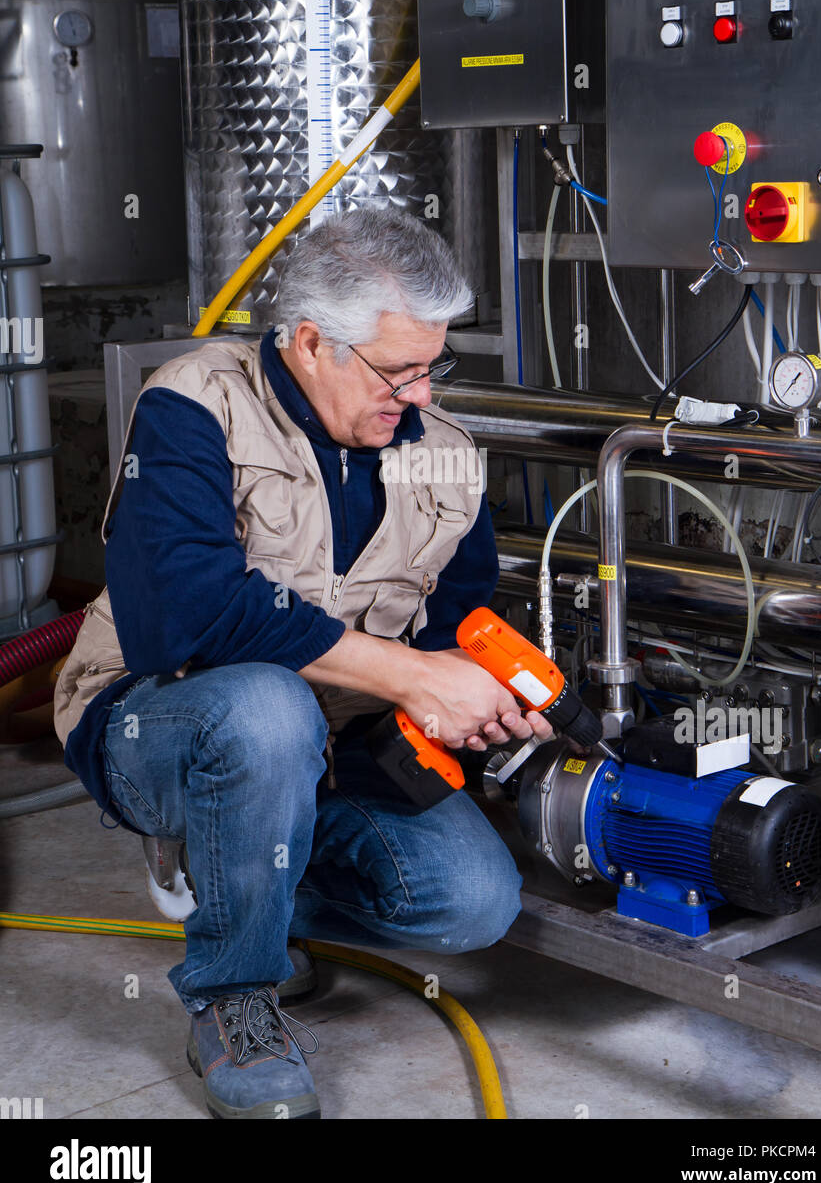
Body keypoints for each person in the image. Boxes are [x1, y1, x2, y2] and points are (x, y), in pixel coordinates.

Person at [53, 204, 553, 1120]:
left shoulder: (441, 458)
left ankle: (244, 877)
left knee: (475, 903)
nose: (423, 396)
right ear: (313, 342)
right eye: (400, 372)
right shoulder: (194, 403)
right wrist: (407, 677)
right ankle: (234, 995)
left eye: (434, 367)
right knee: (263, 710)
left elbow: (456, 621)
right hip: (156, 716)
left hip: (341, 741)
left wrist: (482, 696)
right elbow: (186, 616)